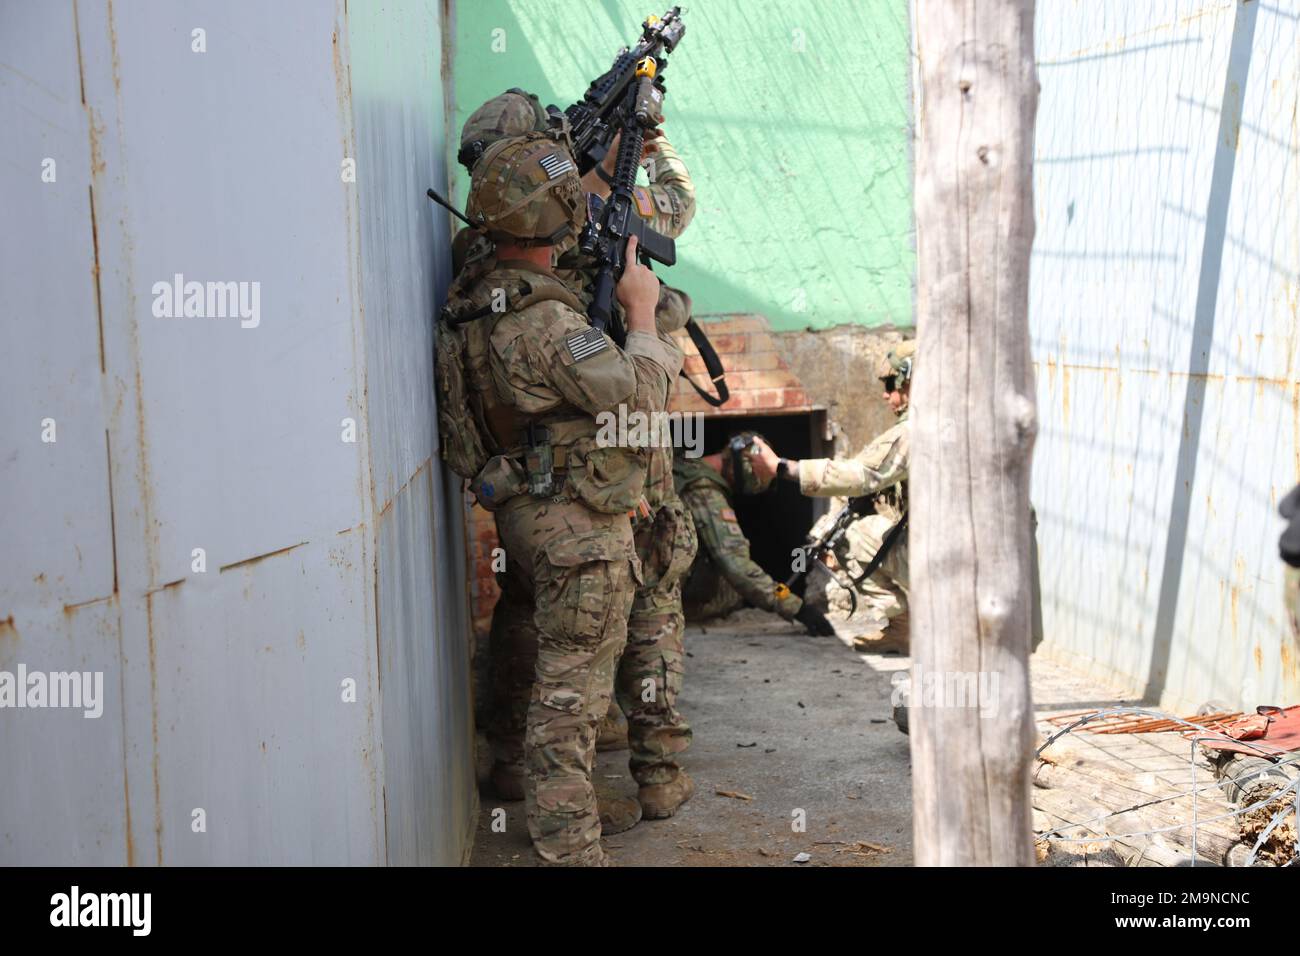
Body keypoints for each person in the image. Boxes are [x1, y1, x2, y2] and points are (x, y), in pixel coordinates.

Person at [458, 90, 703, 823]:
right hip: (611, 431)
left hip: (535, 463)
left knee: (534, 612)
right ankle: (652, 766)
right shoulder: (565, 225)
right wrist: (650, 152)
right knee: (651, 575)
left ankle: (512, 758)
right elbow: (675, 210)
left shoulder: (484, 244)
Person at [756, 342, 913, 651]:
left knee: (846, 535)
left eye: (892, 384)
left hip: (945, 561)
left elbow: (861, 475)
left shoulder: (916, 429)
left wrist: (782, 468)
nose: (886, 394)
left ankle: (902, 625)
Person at [675, 432, 835, 636]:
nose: (758, 487)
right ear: (746, 465)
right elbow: (738, 568)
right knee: (731, 593)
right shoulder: (703, 491)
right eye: (760, 477)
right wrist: (796, 607)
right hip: (664, 590)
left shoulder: (685, 468)